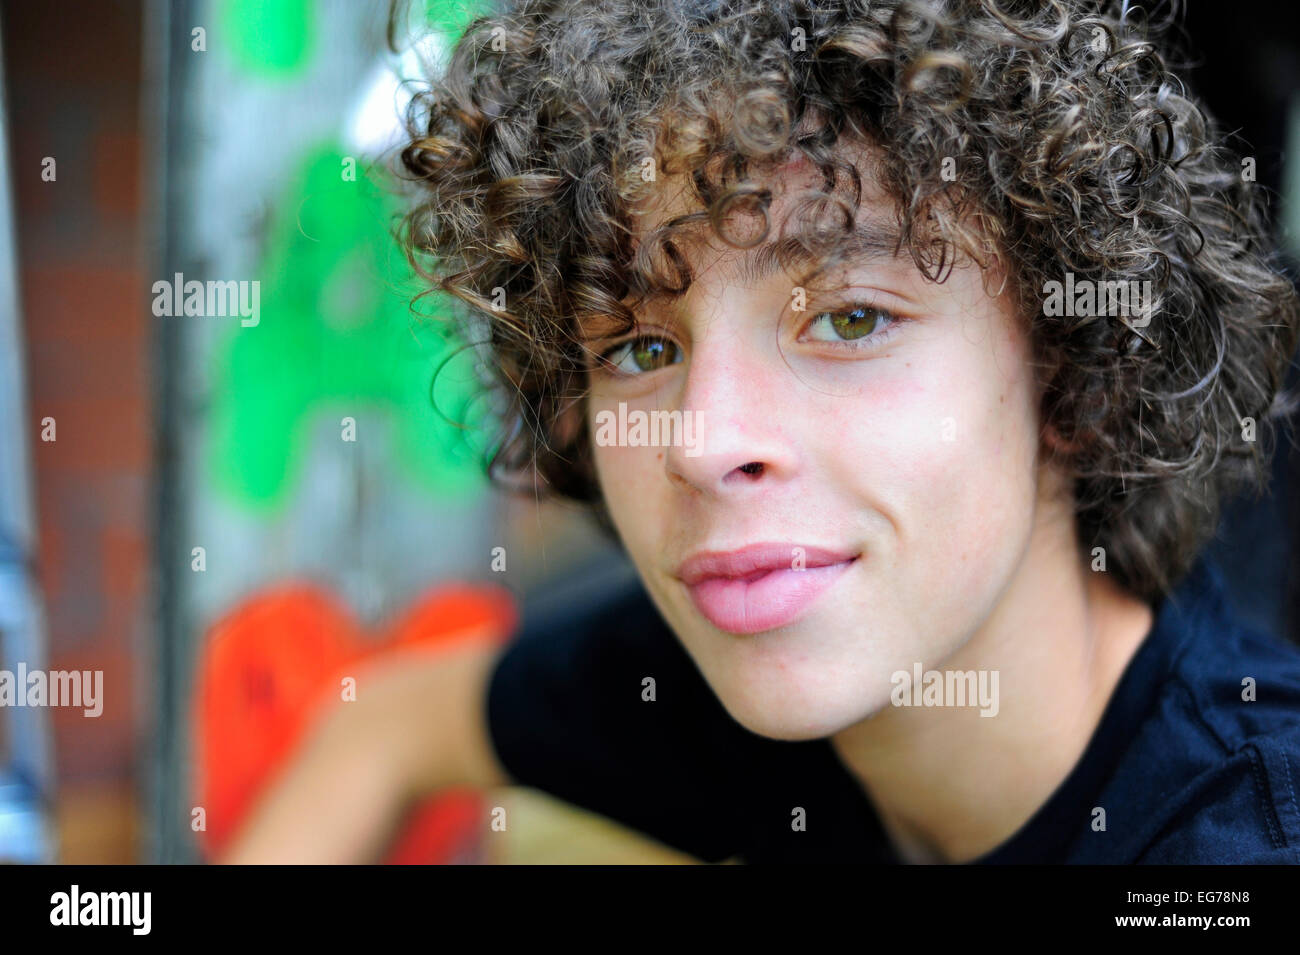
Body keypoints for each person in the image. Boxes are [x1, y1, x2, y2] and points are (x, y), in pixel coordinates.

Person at [221, 0, 1300, 864]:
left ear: (1076, 378)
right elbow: (382, 725)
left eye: (849, 318)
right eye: (639, 349)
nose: (703, 439)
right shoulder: (758, 675)